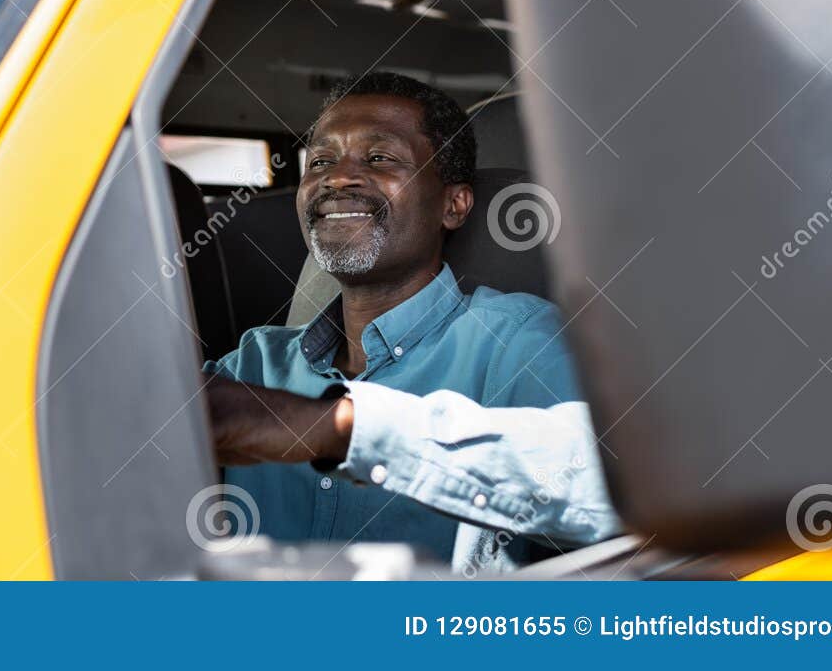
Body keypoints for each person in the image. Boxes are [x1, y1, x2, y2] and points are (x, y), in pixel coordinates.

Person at [203, 71, 616, 572]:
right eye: (321, 162)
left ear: (454, 205)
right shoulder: (254, 363)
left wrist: (339, 428)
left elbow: (604, 481)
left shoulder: (518, 341)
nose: (337, 178)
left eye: (379, 158)